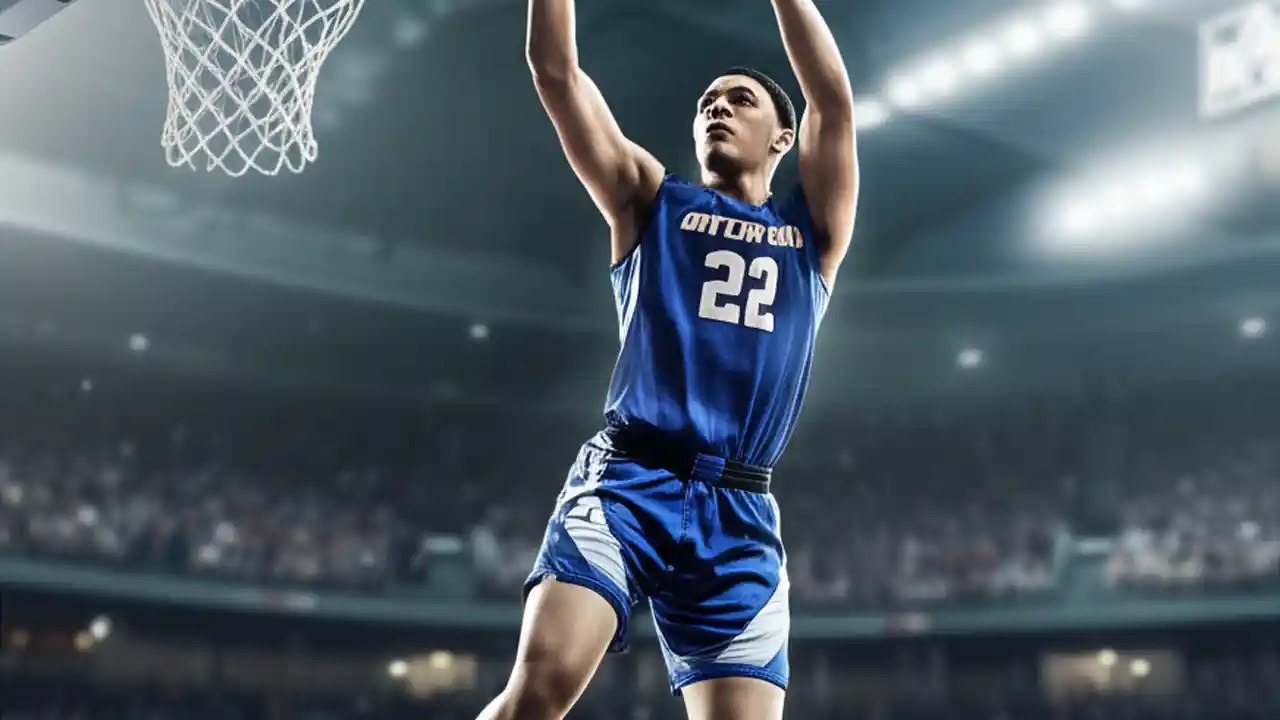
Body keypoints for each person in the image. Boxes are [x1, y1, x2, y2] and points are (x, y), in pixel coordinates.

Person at [479, 1, 858, 718]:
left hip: (741, 513)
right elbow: (556, 74)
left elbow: (832, 100)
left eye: (738, 100)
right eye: (706, 102)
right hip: (630, 480)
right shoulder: (650, 199)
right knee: (540, 694)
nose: (717, 108)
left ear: (784, 137)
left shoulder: (813, 230)